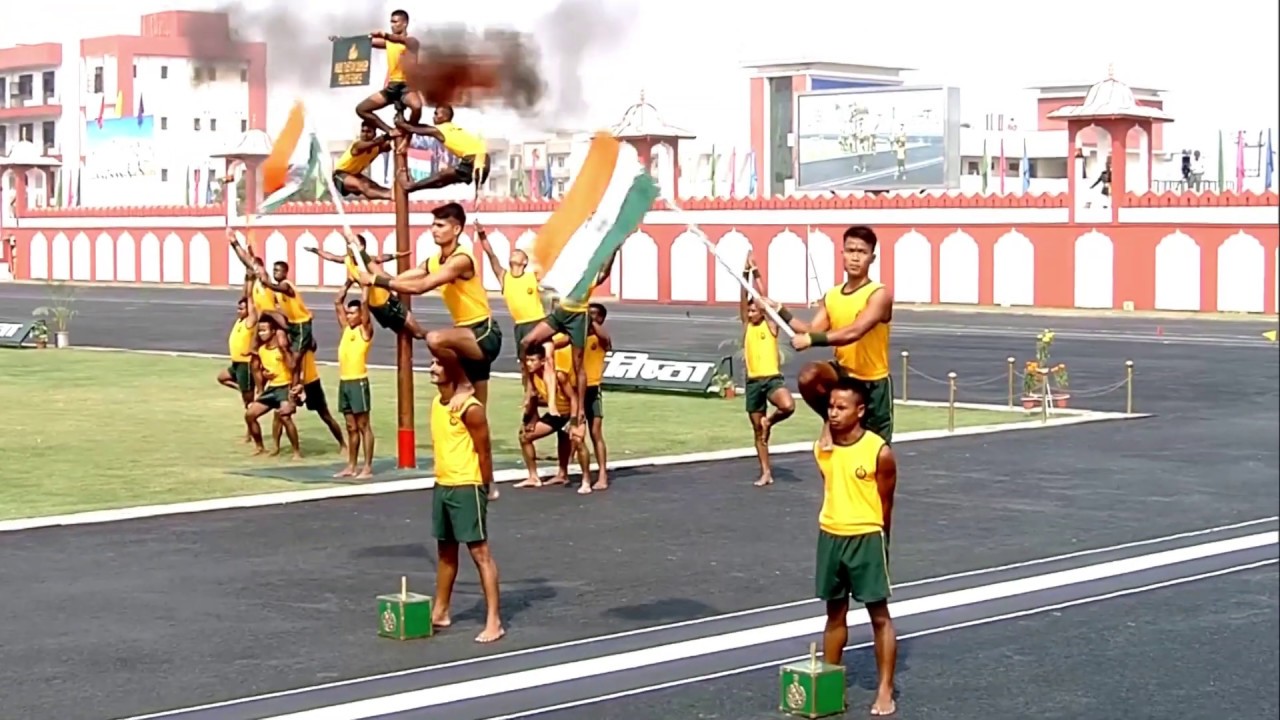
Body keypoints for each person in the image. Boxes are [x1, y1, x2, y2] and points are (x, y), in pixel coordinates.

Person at [360, 202, 503, 410]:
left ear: (456, 230)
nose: (434, 230)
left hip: (483, 333)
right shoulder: (434, 261)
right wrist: (363, 258)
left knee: (434, 339)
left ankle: (464, 383)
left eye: (440, 225)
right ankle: (466, 391)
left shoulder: (461, 259)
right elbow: (397, 280)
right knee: (475, 416)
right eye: (433, 225)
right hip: (464, 338)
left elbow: (421, 286)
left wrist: (375, 280)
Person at [813, 378, 898, 717]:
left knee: (879, 616)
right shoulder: (822, 448)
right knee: (834, 615)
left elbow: (887, 503)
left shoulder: (880, 451)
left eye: (841, 407)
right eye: (830, 407)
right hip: (830, 536)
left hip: (866, 538)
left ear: (860, 411)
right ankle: (829, 690)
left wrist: (882, 542)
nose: (833, 413)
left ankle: (885, 690)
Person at [767, 225, 893, 449]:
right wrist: (779, 310)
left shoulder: (879, 294)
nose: (855, 257)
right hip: (844, 377)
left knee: (875, 455)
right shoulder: (832, 295)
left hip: (872, 384)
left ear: (872, 258)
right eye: (850, 250)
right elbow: (809, 329)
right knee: (809, 375)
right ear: (842, 253)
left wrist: (811, 340)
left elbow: (855, 331)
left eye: (862, 252)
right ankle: (829, 417)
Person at [427, 356, 504, 643]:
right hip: (443, 485)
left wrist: (489, 485)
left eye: (438, 364)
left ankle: (494, 620)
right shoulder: (439, 403)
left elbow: (484, 451)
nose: (432, 368)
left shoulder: (471, 410)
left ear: (454, 370)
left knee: (480, 554)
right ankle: (441, 611)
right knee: (445, 552)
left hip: (467, 486)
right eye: (432, 362)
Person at [517, 249, 620, 450]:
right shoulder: (566, 277)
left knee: (577, 364)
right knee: (526, 343)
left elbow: (604, 272)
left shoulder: (589, 278)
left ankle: (579, 408)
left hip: (578, 317)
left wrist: (614, 248)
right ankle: (529, 389)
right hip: (561, 314)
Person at [471, 220, 558, 404]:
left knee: (548, 358)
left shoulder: (532, 277)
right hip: (521, 326)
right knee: (526, 366)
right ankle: (530, 393)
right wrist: (482, 235)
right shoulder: (504, 277)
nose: (515, 252)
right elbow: (491, 255)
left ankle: (551, 400)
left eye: (519, 253)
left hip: (538, 322)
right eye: (514, 252)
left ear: (524, 262)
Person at [303, 232, 426, 339]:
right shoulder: (348, 260)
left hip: (387, 302)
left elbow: (381, 258)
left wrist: (396, 255)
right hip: (375, 307)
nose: (348, 247)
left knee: (417, 332)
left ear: (360, 248)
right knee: (401, 331)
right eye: (348, 245)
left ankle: (432, 339)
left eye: (351, 245)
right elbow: (331, 257)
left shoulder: (367, 262)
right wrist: (315, 250)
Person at [739, 253, 794, 487]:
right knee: (757, 431)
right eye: (749, 311)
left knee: (788, 406)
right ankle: (766, 472)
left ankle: (770, 421)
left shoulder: (771, 325)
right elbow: (744, 296)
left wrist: (757, 272)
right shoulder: (747, 325)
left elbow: (764, 298)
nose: (751, 314)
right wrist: (744, 274)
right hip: (753, 383)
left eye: (754, 311)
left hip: (771, 380)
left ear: (762, 312)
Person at [515, 343, 592, 495]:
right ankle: (533, 477)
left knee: (577, 440)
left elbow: (573, 398)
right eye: (527, 360)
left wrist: (574, 421)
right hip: (555, 415)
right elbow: (533, 399)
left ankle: (585, 480)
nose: (529, 364)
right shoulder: (532, 376)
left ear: (543, 361)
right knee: (524, 436)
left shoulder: (558, 376)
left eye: (532, 360)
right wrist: (529, 419)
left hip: (570, 412)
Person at [347, 9, 423, 134]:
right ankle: (389, 131)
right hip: (392, 87)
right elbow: (365, 43)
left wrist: (384, 35)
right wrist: (343, 41)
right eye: (391, 22)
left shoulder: (412, 41)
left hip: (407, 87)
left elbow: (398, 39)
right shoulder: (388, 42)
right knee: (361, 109)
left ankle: (409, 130)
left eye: (395, 22)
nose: (392, 25)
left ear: (404, 23)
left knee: (417, 107)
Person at [394, 106, 490, 193]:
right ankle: (413, 187)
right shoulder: (452, 127)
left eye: (436, 113)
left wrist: (399, 120)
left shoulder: (441, 130)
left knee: (443, 175)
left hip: (474, 159)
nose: (433, 117)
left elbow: (411, 129)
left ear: (444, 116)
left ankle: (411, 186)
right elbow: (423, 127)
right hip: (484, 159)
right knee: (443, 180)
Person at [334, 283, 375, 479]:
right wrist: (348, 282)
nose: (349, 316)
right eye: (348, 313)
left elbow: (366, 304)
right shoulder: (346, 329)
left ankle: (367, 467)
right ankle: (351, 466)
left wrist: (364, 285)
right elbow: (337, 302)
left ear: (360, 315)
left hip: (358, 382)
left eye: (353, 313)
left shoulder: (364, 330)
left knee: (363, 425)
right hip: (345, 382)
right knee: (350, 427)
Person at [245, 316, 301, 458]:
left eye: (264, 330)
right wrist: (264, 375)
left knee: (285, 416)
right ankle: (260, 447)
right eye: (260, 331)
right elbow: (258, 370)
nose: (261, 334)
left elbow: (293, 367)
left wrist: (294, 393)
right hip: (272, 389)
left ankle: (296, 452)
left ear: (273, 331)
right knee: (250, 415)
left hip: (285, 387)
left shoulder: (282, 348)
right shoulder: (262, 350)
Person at [256, 260, 315, 379]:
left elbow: (281, 289)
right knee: (295, 362)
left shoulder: (285, 284)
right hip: (293, 324)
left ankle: (295, 385)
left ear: (285, 272)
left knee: (293, 362)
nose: (275, 273)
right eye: (274, 271)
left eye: (278, 270)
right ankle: (295, 385)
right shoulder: (278, 291)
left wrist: (267, 284)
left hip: (301, 325)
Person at [217, 292, 259, 442]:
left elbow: (251, 301)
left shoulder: (249, 322)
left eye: (242, 309)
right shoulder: (239, 321)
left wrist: (252, 281)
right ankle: (242, 388)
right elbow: (245, 296)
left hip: (245, 365)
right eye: (238, 308)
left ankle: (250, 435)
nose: (239, 311)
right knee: (222, 377)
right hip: (236, 364)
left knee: (248, 405)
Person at [287, 351, 347, 453]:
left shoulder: (304, 342)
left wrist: (301, 383)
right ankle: (280, 448)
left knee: (325, 415)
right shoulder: (288, 344)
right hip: (292, 382)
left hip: (311, 382)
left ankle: (343, 444)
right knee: (281, 414)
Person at [582, 302, 612, 490]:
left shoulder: (600, 338)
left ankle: (602, 474)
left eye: (594, 315)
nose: (590, 318)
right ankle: (568, 471)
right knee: (573, 434)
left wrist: (590, 321)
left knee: (595, 433)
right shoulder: (577, 336)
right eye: (588, 314)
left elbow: (606, 340)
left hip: (592, 389)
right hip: (575, 389)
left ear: (601, 318)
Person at [332, 121, 394, 200]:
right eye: (363, 131)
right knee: (363, 185)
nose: (365, 134)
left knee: (374, 186)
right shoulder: (357, 146)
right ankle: (389, 195)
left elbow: (388, 146)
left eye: (368, 132)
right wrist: (387, 136)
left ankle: (393, 193)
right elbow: (374, 143)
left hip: (355, 174)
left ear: (374, 134)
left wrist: (399, 134)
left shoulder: (376, 149)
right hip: (340, 174)